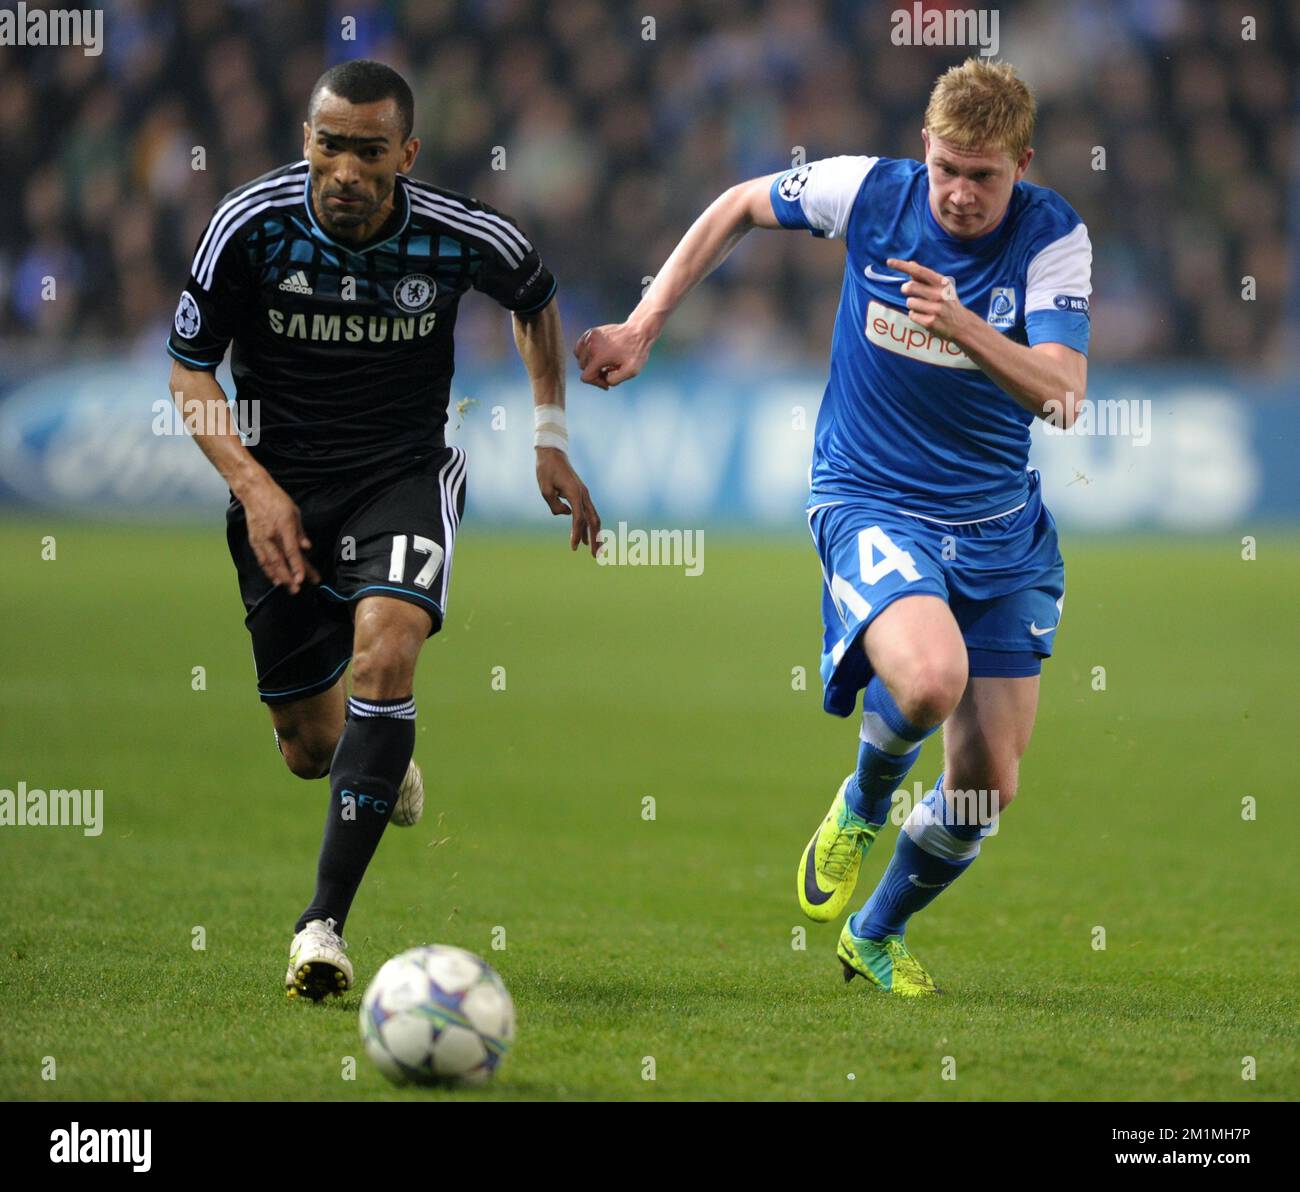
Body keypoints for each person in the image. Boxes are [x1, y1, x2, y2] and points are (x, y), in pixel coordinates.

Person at [575, 59, 1090, 996]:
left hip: (1001, 526)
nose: (962, 194)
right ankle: (865, 796)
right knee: (933, 679)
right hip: (870, 497)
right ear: (923, 149)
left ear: (1024, 163)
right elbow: (737, 204)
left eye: (986, 176)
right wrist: (646, 322)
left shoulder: (1053, 236)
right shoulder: (868, 192)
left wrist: (964, 325)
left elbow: (1063, 394)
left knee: (985, 790)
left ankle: (874, 932)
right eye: (948, 169)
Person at [166, 59, 599, 1001]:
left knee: (386, 658)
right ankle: (378, 750)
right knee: (309, 751)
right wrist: (253, 488)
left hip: (401, 476)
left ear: (405, 153)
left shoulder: (457, 235)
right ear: (306, 144)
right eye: (330, 147)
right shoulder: (247, 228)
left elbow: (534, 297)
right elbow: (189, 375)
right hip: (278, 487)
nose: (347, 170)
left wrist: (551, 437)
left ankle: (320, 926)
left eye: (370, 151)